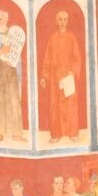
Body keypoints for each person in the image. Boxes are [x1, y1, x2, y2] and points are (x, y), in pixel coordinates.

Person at [40, 10, 82, 144]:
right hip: (55, 77)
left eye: (65, 19)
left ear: (67, 21)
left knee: (70, 104)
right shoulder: (52, 38)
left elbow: (77, 57)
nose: (62, 22)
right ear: (56, 21)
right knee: (55, 105)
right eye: (60, 19)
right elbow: (47, 59)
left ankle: (73, 133)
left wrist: (72, 72)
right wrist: (44, 76)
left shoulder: (71, 37)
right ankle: (56, 134)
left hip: (68, 75)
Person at [0, 10, 25, 142]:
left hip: (11, 71)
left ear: (6, 19)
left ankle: (16, 133)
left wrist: (10, 54)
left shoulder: (13, 34)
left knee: (13, 100)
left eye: (1, 19)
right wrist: (0, 51)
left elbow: (17, 53)